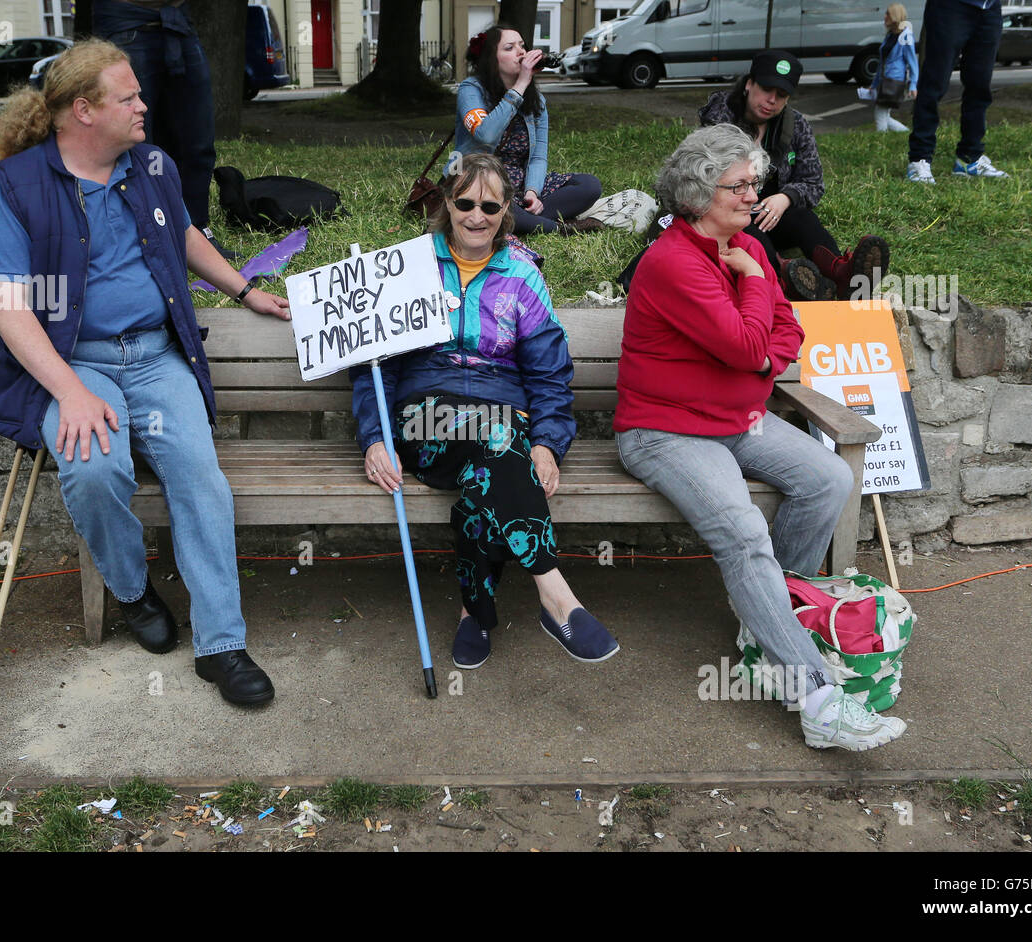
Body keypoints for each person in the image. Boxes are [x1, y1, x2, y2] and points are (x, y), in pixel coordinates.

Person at [0, 40, 290, 707]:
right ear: (83, 111)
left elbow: (181, 233)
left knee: (203, 481)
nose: (145, 105)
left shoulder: (150, 164)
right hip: (75, 363)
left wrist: (243, 289)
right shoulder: (19, 185)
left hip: (155, 357)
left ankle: (221, 645)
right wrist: (69, 390)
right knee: (94, 470)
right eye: (130, 97)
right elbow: (4, 302)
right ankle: (131, 590)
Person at [614, 124, 907, 751]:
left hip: (736, 419)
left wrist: (761, 352)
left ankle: (767, 627)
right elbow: (751, 342)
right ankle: (819, 702)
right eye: (740, 185)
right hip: (666, 431)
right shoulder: (672, 263)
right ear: (698, 193)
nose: (754, 195)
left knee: (829, 478)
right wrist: (751, 288)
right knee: (745, 533)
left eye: (755, 183)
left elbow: (783, 330)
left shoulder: (745, 244)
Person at [350, 153, 618, 669]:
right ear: (446, 203)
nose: (477, 214)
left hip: (503, 421)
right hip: (424, 419)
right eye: (465, 201)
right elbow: (373, 367)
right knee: (499, 445)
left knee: (487, 474)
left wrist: (546, 442)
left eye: (490, 204)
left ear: (506, 210)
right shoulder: (410, 267)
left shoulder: (522, 276)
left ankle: (474, 614)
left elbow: (549, 373)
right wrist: (374, 437)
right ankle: (555, 593)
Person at [699, 50, 890, 302]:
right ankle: (786, 280)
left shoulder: (796, 125)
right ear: (748, 84)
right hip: (734, 213)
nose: (772, 101)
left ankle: (842, 275)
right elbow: (707, 176)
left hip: (773, 212)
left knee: (804, 219)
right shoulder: (720, 117)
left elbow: (813, 183)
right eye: (766, 89)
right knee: (755, 243)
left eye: (782, 95)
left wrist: (786, 198)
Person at [92, 0, 238, 256]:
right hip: (126, 21)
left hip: (178, 22)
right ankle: (142, 236)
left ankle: (196, 231)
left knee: (197, 140)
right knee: (134, 146)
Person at [455, 25, 603, 236]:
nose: (521, 52)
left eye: (522, 46)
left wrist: (532, 192)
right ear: (491, 58)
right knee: (494, 207)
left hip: (520, 185)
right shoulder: (471, 90)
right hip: (479, 182)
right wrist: (522, 82)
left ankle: (526, 220)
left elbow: (538, 157)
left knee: (589, 186)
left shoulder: (536, 101)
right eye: (509, 47)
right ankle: (559, 227)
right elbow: (485, 135)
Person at [907, 0, 1009, 183]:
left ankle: (969, 158)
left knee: (980, 85)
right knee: (934, 82)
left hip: (989, 9)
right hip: (951, 7)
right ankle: (919, 158)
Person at [868, 4, 918, 132]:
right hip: (885, 80)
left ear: (896, 16)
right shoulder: (890, 35)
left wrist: (913, 85)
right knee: (884, 115)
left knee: (880, 112)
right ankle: (907, 134)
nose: (885, 16)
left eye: (888, 14)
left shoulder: (906, 36)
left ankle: (881, 141)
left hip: (894, 80)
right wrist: (874, 84)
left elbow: (913, 63)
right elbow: (881, 62)